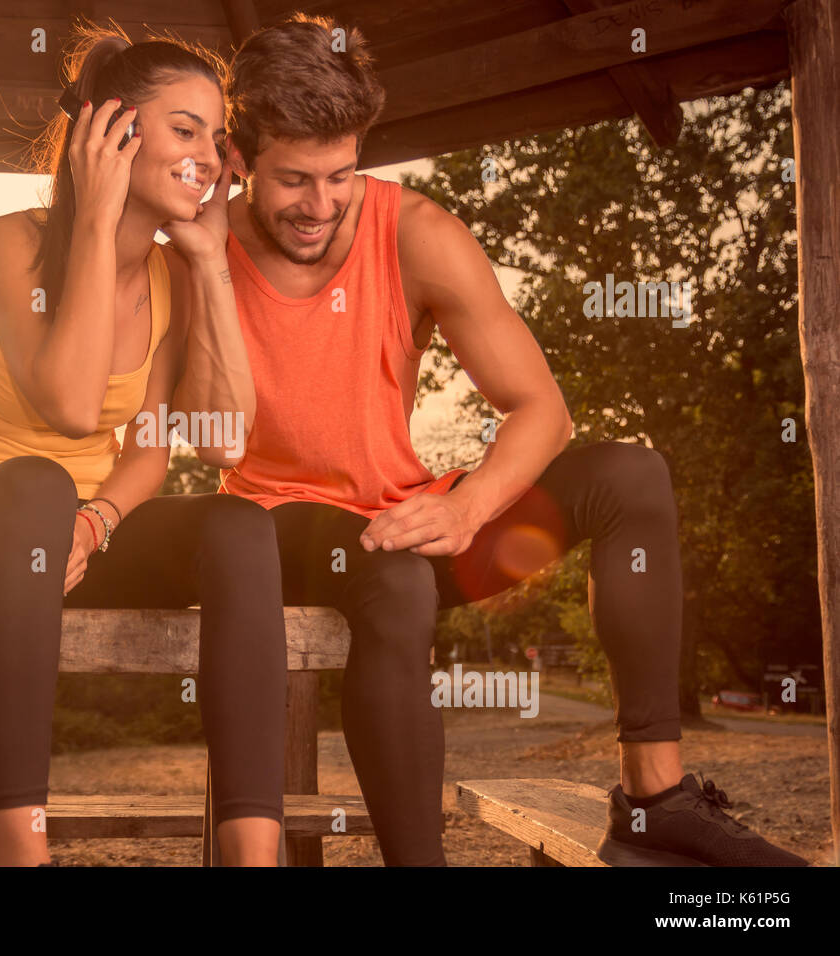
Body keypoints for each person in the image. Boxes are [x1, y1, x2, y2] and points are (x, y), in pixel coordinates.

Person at [178, 12, 809, 867]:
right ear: (240, 157)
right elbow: (205, 432)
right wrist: (207, 260)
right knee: (395, 580)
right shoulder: (196, 246)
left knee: (631, 475)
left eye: (341, 175)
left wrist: (470, 506)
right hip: (275, 535)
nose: (320, 206)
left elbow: (541, 407)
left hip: (411, 522)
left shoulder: (418, 234)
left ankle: (656, 796)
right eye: (294, 180)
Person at [0, 24, 286, 866]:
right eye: (185, 129)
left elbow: (203, 442)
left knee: (240, 525)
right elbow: (71, 407)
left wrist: (207, 261)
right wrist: (94, 214)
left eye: (216, 135)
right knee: (37, 485)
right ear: (115, 135)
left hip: (83, 539)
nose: (210, 154)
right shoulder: (12, 241)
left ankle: (251, 853)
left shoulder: (171, 274)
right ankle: (22, 854)